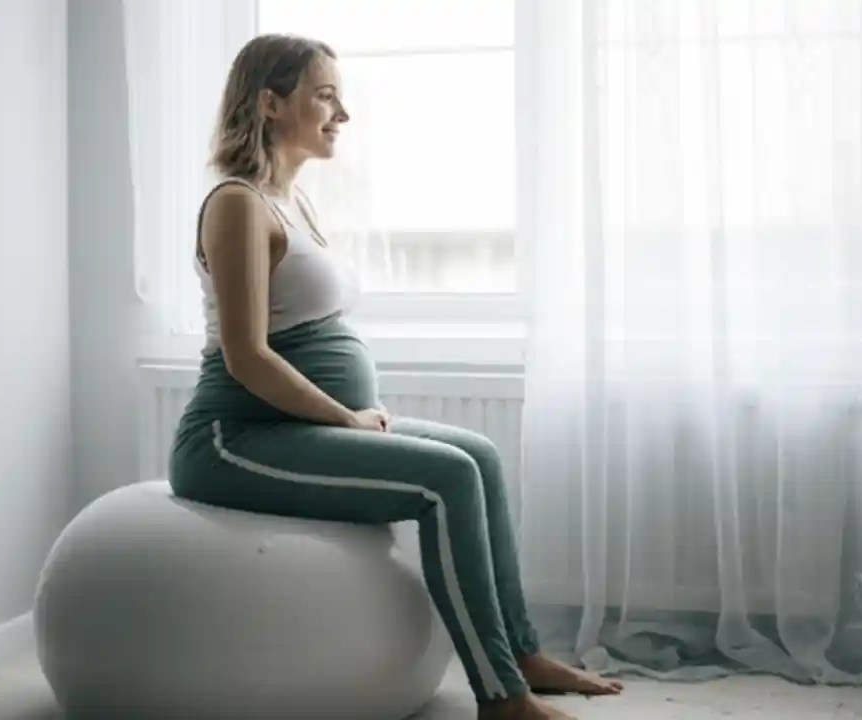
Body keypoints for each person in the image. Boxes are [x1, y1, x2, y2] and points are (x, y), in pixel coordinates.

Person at [168, 33, 623, 720]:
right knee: (447, 479)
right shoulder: (237, 204)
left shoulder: (292, 201)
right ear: (270, 103)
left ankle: (522, 653)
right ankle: (501, 695)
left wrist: (347, 417)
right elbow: (245, 355)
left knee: (479, 455)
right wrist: (346, 418)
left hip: (297, 427)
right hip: (235, 438)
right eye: (326, 96)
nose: (342, 114)